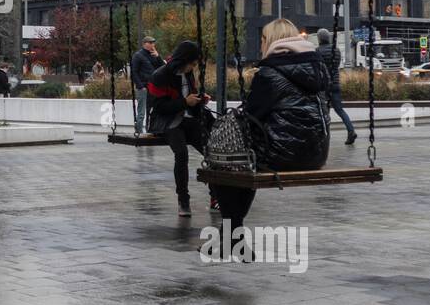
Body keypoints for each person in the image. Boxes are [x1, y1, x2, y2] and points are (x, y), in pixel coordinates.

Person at [209, 18, 330, 255]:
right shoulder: (316, 67)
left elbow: (252, 113)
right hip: (316, 154)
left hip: (283, 153)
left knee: (225, 164)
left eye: (263, 39)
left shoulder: (269, 73)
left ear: (271, 41)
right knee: (246, 160)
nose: (261, 44)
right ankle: (232, 238)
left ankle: (232, 236)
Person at [147, 40, 210, 217]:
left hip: (184, 118)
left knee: (210, 149)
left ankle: (216, 195)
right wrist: (185, 102)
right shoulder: (161, 75)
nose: (194, 68)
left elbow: (188, 101)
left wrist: (198, 99)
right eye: (193, 64)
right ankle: (183, 199)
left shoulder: (188, 75)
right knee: (181, 154)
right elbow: (158, 107)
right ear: (184, 60)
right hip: (166, 122)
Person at [315, 29, 357, 145]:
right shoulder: (336, 50)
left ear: (319, 38)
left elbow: (318, 69)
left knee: (324, 112)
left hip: (324, 86)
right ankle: (351, 131)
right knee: (340, 110)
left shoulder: (318, 51)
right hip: (336, 83)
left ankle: (325, 136)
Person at [130, 36, 162, 137]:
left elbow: (162, 68)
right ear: (144, 44)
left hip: (152, 87)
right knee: (141, 112)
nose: (153, 45)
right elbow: (133, 72)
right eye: (150, 42)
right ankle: (139, 132)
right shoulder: (138, 55)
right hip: (143, 87)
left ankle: (149, 131)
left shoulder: (153, 55)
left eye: (153, 43)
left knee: (151, 111)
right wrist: (140, 86)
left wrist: (158, 56)